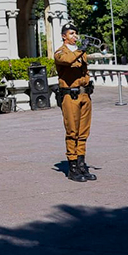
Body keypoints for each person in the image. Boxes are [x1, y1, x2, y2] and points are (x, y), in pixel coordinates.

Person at [54, 25, 96, 183]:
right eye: (71, 33)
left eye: (76, 33)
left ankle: (81, 163)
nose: (75, 36)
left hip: (84, 94)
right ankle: (72, 167)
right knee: (72, 131)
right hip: (70, 97)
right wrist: (81, 50)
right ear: (64, 36)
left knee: (84, 132)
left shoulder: (80, 52)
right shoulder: (60, 52)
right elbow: (67, 60)